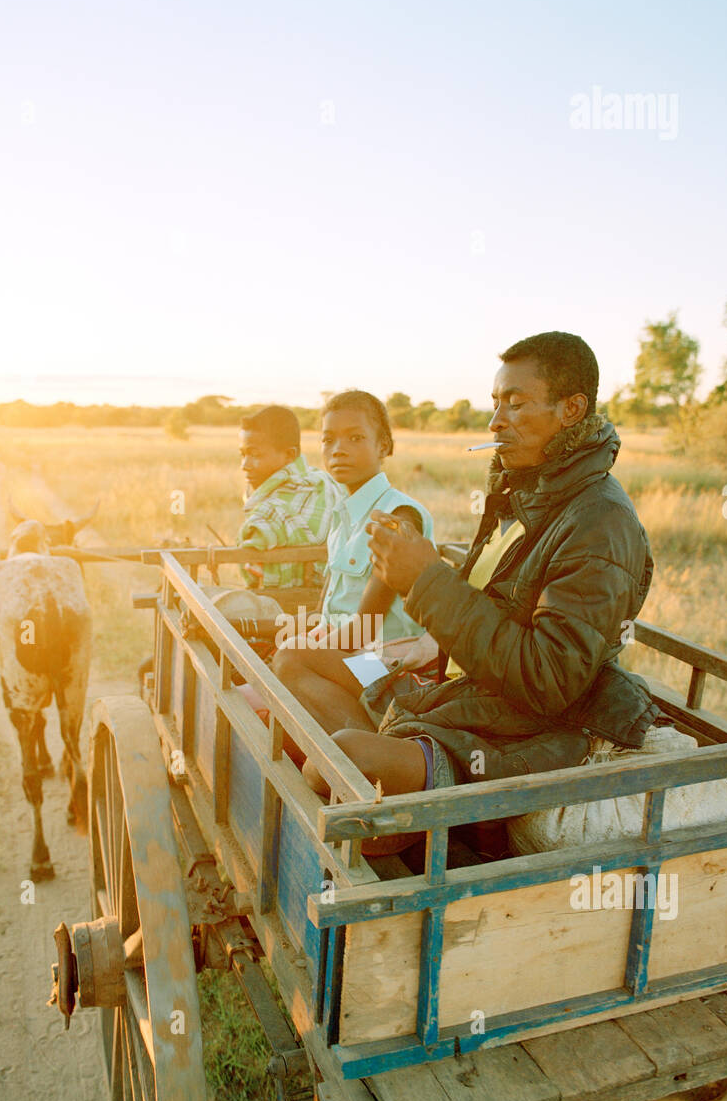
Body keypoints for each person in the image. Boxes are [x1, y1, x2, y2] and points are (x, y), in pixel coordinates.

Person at [298, 333, 659, 807]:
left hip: (508, 731)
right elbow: (484, 612)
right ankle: (395, 735)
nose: (494, 423)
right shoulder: (521, 494)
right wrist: (427, 642)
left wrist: (425, 580)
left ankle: (399, 748)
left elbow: (547, 680)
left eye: (515, 404)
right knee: (300, 660)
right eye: (495, 404)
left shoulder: (599, 522)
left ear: (571, 410)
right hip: (448, 688)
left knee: (342, 756)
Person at [272, 389, 437, 737]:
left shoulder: (397, 515)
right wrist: (297, 631)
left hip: (384, 666)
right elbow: (327, 613)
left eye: (356, 438)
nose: (338, 450)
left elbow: (363, 630)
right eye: (328, 440)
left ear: (384, 446)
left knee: (290, 658)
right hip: (350, 656)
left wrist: (305, 644)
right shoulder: (341, 516)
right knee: (283, 654)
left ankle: (376, 747)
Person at [236, 404, 339, 590]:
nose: (245, 465)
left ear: (289, 455)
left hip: (299, 604)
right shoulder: (314, 478)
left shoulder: (278, 508)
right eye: (243, 454)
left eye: (255, 454)